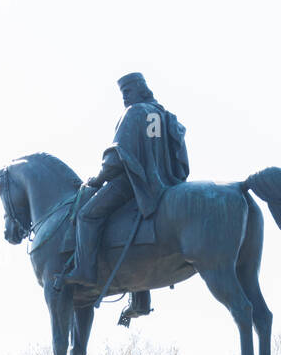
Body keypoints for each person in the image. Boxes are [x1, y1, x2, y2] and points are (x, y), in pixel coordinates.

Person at [64, 72, 189, 289]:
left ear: (141, 89)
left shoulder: (134, 113)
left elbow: (117, 157)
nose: (125, 98)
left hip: (133, 184)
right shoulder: (166, 116)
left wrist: (98, 179)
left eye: (128, 91)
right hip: (165, 184)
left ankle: (85, 270)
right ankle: (140, 295)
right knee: (131, 228)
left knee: (87, 216)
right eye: (123, 94)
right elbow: (181, 155)